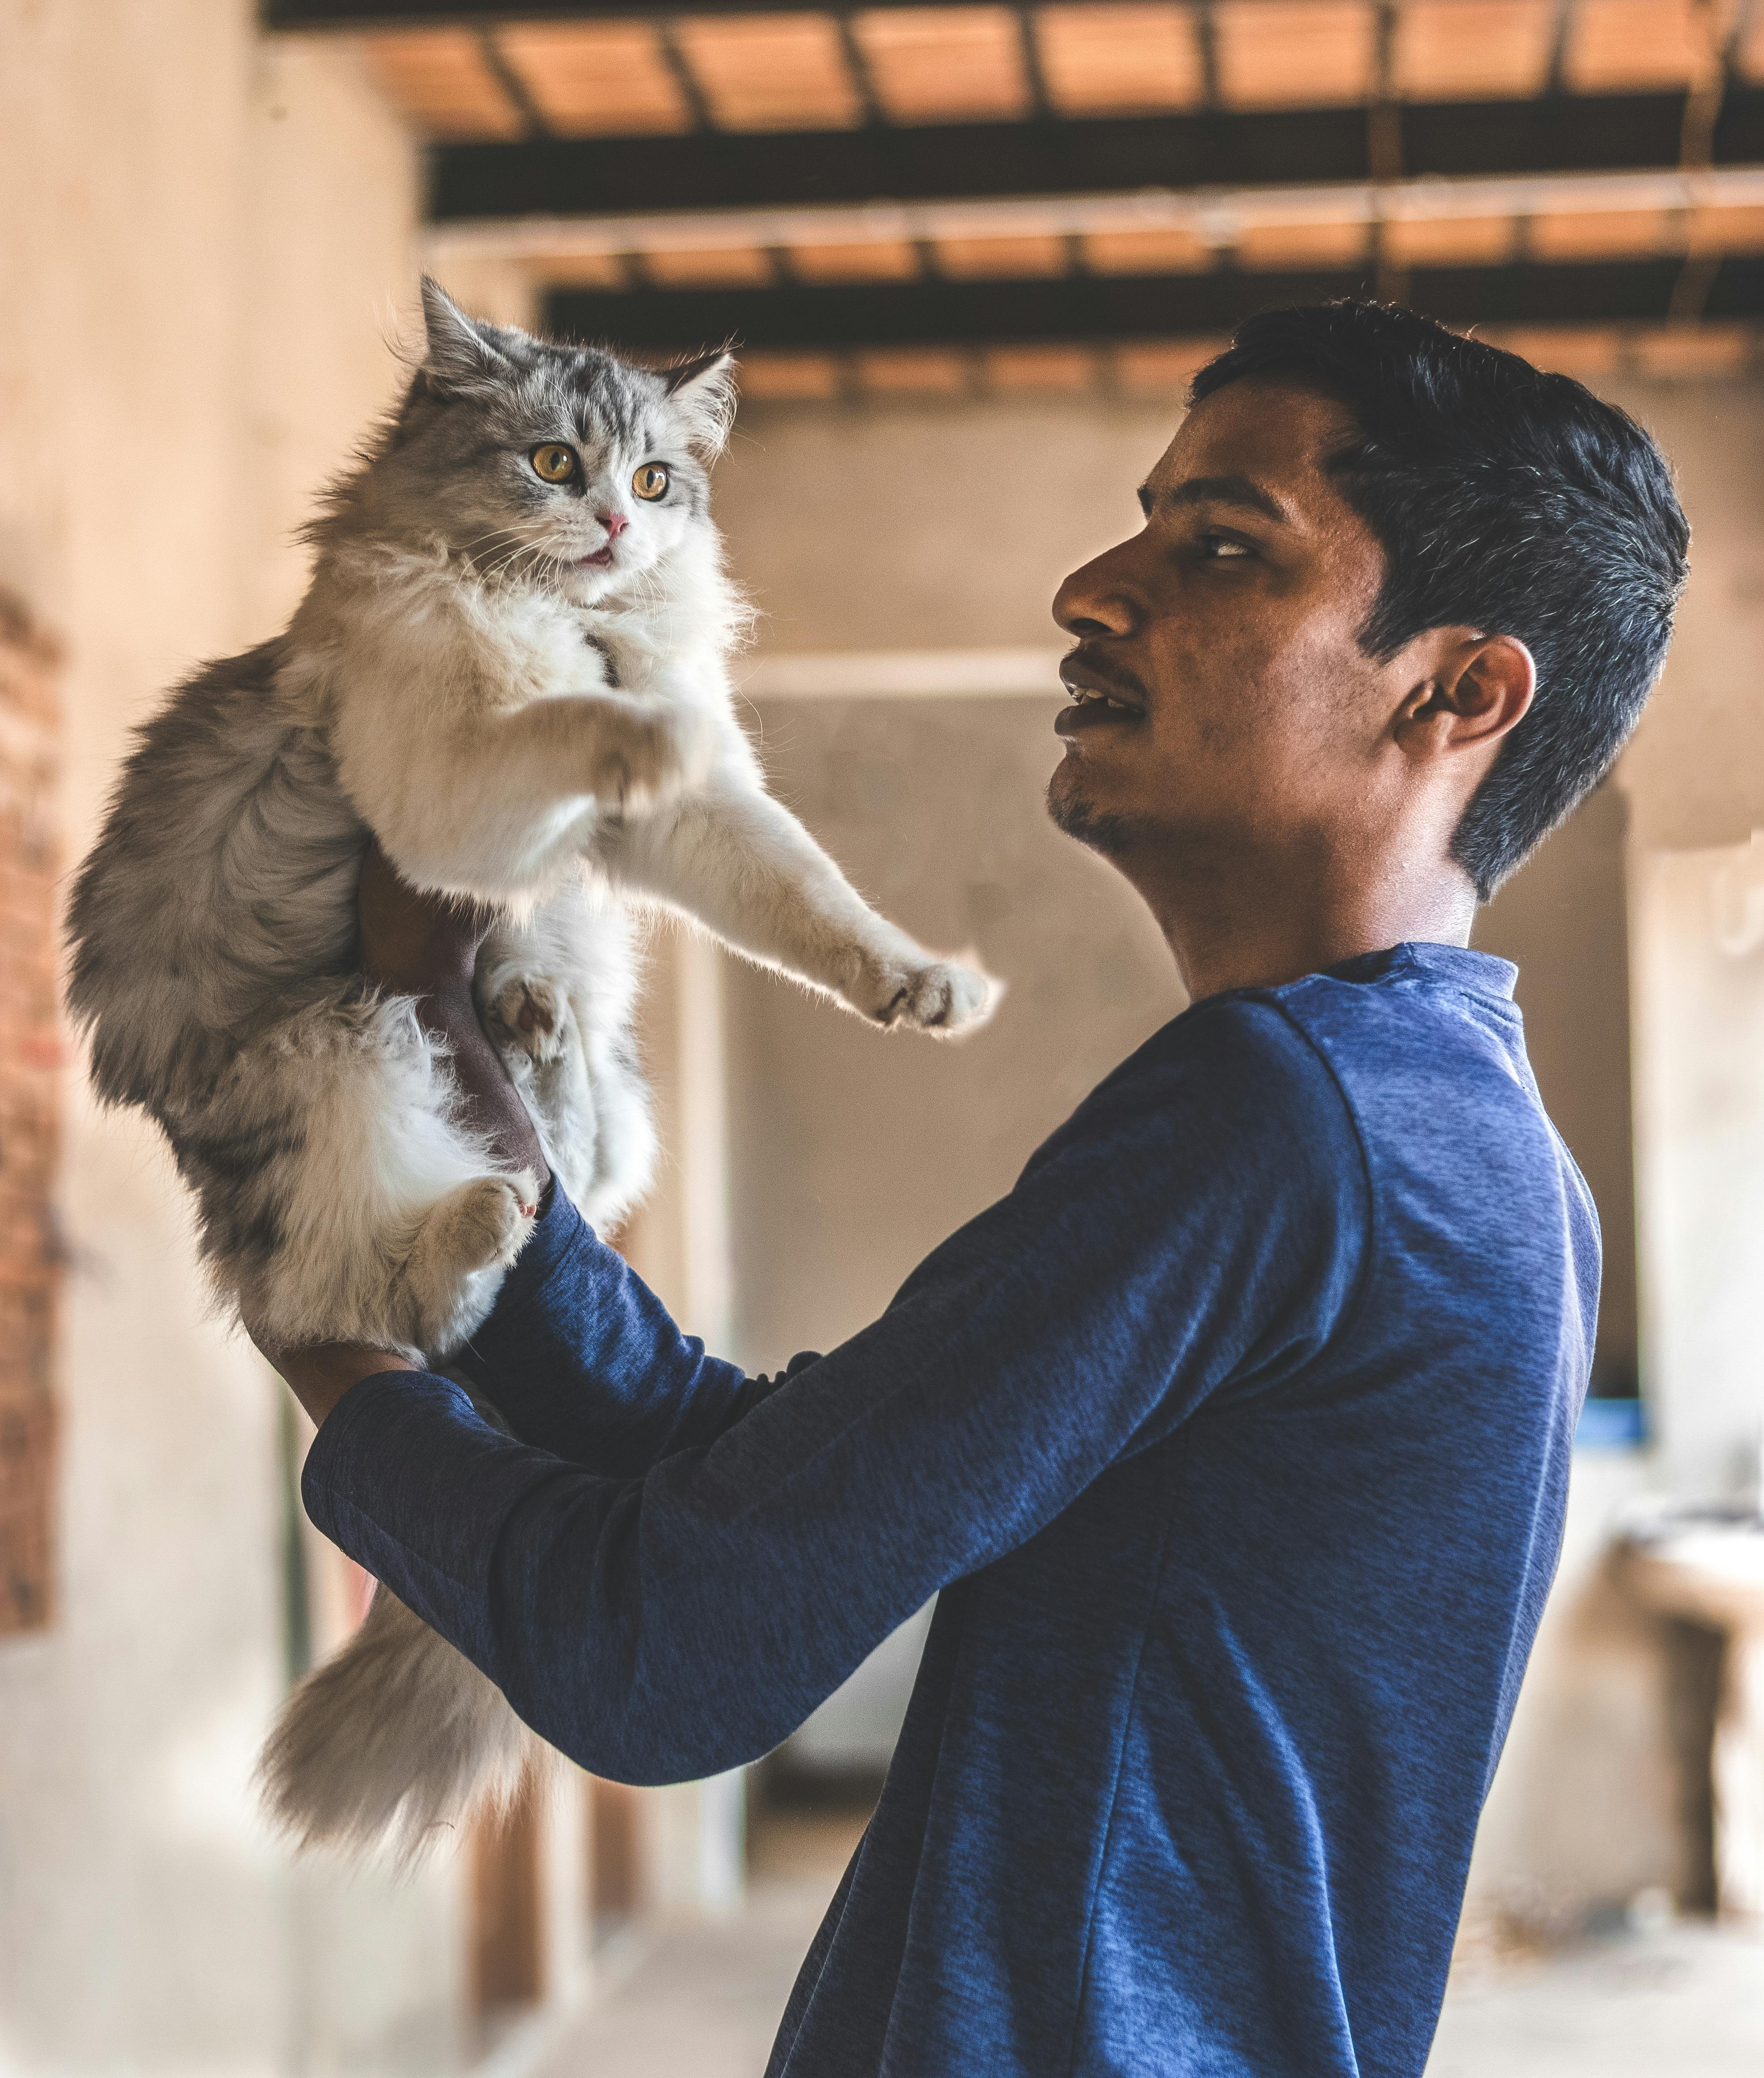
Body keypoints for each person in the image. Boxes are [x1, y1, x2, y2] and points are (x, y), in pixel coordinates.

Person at [268, 301, 1689, 2077]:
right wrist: (443, 1080)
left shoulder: (1285, 1117)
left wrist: (335, 1348)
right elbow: (779, 1492)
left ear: (1456, 688)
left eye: (1222, 546)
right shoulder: (1472, 1144)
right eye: (1143, 519)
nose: (1091, 587)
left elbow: (672, 1649)